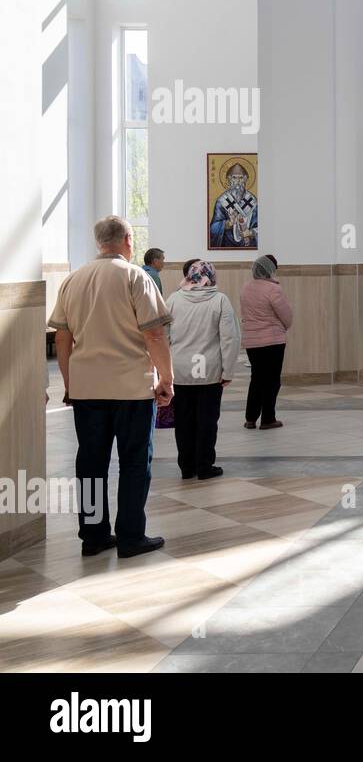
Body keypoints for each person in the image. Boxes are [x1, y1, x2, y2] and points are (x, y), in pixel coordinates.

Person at [49, 216, 173, 559]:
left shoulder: (73, 280)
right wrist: (166, 378)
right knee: (134, 461)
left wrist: (71, 382)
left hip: (87, 389)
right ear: (128, 240)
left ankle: (93, 536)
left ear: (98, 241)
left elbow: (62, 338)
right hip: (131, 388)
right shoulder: (136, 277)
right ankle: (131, 536)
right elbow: (154, 334)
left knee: (90, 463)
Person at [166, 260, 239, 480]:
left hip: (180, 371)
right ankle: (205, 466)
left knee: (184, 421)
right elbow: (230, 338)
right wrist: (228, 371)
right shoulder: (220, 300)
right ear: (211, 276)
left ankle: (186, 467)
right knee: (207, 421)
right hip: (210, 372)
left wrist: (162, 369)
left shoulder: (173, 299)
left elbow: (163, 336)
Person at [240, 255, 293, 430]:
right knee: (272, 380)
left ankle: (250, 418)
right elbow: (286, 316)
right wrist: (284, 326)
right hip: (273, 342)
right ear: (271, 269)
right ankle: (268, 418)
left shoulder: (246, 288)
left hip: (252, 342)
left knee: (256, 378)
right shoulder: (273, 289)